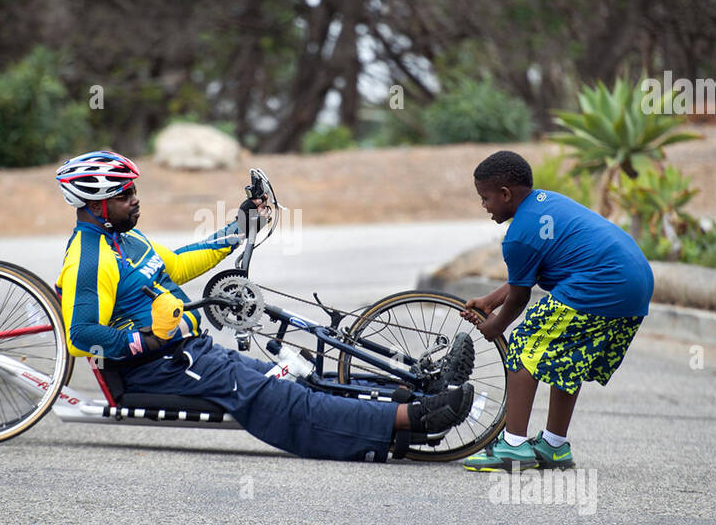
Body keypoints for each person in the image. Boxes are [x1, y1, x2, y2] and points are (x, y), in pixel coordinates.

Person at [53, 150, 473, 462]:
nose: (135, 199)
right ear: (97, 202)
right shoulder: (89, 261)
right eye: (126, 194)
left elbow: (178, 263)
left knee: (303, 377)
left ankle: (413, 391)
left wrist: (238, 229)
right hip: (158, 368)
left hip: (190, 353)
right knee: (277, 397)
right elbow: (80, 336)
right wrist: (147, 338)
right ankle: (411, 419)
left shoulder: (127, 240)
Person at [460, 150, 653, 471]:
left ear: (505, 194)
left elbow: (520, 299)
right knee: (565, 355)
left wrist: (494, 327)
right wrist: (491, 301)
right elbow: (527, 276)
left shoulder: (517, 236)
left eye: (485, 198)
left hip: (602, 283)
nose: (483, 206)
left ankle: (513, 446)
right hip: (636, 282)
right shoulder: (545, 202)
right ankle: (554, 445)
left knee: (524, 345)